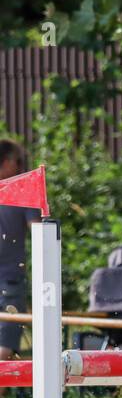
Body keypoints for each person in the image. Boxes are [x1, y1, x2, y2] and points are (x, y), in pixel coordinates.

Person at [0, 140, 39, 361]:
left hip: (8, 279)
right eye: (19, 161)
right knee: (6, 342)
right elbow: (38, 231)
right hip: (10, 280)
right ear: (7, 163)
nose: (22, 167)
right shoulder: (23, 192)